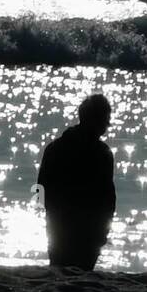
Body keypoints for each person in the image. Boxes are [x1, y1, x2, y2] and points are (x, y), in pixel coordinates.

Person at [36, 94, 117, 270]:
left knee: (58, 269)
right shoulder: (103, 153)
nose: (107, 125)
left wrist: (54, 213)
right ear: (97, 121)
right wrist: (103, 231)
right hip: (88, 231)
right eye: (105, 120)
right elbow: (108, 198)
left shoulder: (54, 148)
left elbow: (41, 190)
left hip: (59, 225)